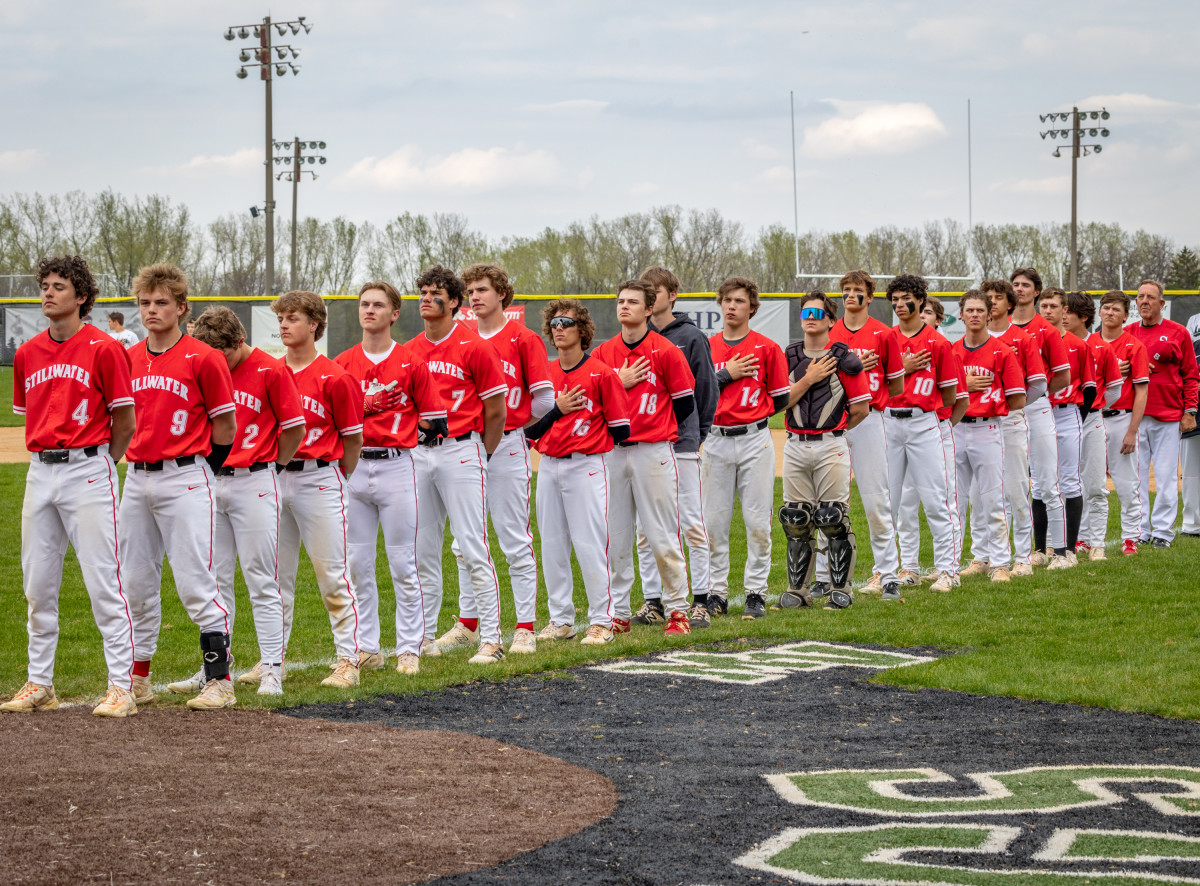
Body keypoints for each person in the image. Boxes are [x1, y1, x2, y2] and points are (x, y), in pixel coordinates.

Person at [2, 255, 138, 718]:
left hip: (87, 468)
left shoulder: (104, 348)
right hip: (41, 471)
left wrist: (102, 462)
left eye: (58, 286)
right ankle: (40, 682)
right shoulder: (27, 353)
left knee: (104, 580)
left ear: (81, 297)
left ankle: (121, 685)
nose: (47, 293)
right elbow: (29, 417)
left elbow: (125, 421)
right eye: (44, 285)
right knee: (37, 584)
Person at [121, 263, 238, 711]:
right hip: (137, 478)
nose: (152, 309)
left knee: (194, 580)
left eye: (162, 302)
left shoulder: (203, 357)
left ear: (182, 307)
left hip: (186, 476)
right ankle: (138, 678)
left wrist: (202, 470)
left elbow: (225, 425)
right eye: (146, 302)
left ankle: (219, 680)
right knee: (135, 582)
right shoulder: (128, 357)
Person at [173, 307, 304, 698]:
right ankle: (216, 669)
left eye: (223, 354)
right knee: (215, 582)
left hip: (255, 481)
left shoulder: (270, 369)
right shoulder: (203, 365)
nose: (217, 362)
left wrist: (273, 466)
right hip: (212, 481)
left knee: (262, 580)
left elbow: (294, 427)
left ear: (239, 342)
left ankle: (272, 670)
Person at [336, 281, 446, 677]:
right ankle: (368, 647)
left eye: (378, 305)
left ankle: (409, 648)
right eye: (364, 304)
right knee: (358, 563)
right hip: (354, 467)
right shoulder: (343, 362)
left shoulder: (412, 361)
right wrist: (366, 406)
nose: (369, 310)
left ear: (394, 313)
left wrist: (413, 428)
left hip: (399, 464)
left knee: (403, 563)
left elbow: (435, 418)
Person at [406, 266, 509, 663]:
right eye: (423, 292)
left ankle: (492, 640)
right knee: (421, 549)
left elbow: (496, 411)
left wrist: (481, 452)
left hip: (461, 449)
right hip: (419, 452)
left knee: (471, 546)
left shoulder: (473, 346)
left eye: (436, 293)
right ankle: (423, 637)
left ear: (454, 302)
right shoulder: (410, 350)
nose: (427, 298)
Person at [448, 264, 552, 655]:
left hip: (508, 442)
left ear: (501, 294)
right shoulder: (464, 336)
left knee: (513, 538)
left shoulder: (522, 338)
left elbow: (542, 398)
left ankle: (524, 626)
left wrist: (520, 427)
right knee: (464, 540)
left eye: (482, 290)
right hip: (467, 444)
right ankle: (468, 623)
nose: (474, 297)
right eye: (470, 291)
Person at [593, 279, 696, 634]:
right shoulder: (604, 354)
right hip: (613, 453)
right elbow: (593, 403)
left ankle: (678, 611)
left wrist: (655, 429)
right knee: (616, 536)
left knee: (661, 534)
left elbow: (684, 405)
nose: (624, 307)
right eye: (620, 301)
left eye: (633, 302)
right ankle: (619, 614)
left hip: (653, 451)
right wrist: (617, 383)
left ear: (649, 309)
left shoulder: (666, 350)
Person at [273, 290, 365, 688]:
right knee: (275, 577)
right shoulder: (272, 372)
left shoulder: (336, 376)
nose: (284, 324)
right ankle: (270, 657)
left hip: (319, 475)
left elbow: (353, 441)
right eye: (281, 318)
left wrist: (333, 477)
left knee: (332, 576)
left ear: (314, 324)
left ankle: (349, 660)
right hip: (275, 477)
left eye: (293, 318)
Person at [526, 300, 631, 645]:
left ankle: (602, 620)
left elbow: (621, 430)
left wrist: (586, 434)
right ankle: (561, 620)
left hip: (586, 464)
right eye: (554, 323)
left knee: (589, 544)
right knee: (553, 545)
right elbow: (529, 430)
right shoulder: (544, 375)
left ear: (582, 330)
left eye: (566, 322)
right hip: (550, 464)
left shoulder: (602, 373)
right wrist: (558, 413)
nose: (558, 328)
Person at [634, 267, 718, 628]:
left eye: (657, 291)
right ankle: (653, 600)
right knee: (644, 529)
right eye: (645, 292)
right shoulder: (637, 337)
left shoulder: (691, 337)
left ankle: (701, 598)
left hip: (680, 443)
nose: (651, 298)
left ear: (671, 295)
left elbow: (706, 391)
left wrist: (695, 435)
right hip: (646, 443)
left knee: (690, 523)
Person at [776, 291, 869, 612]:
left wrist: (835, 431)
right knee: (796, 518)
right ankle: (797, 590)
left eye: (818, 313)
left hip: (832, 443)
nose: (811, 318)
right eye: (805, 314)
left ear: (831, 320)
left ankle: (840, 588)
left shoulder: (845, 359)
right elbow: (778, 403)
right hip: (795, 444)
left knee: (832, 517)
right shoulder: (787, 358)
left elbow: (861, 408)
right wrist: (809, 377)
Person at [703, 277, 790, 615]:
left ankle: (755, 592)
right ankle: (716, 594)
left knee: (757, 521)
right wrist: (727, 373)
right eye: (726, 300)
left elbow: (780, 397)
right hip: (715, 438)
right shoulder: (706, 347)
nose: (731, 306)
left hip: (755, 438)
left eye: (739, 300)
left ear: (752, 307)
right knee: (714, 523)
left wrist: (753, 414)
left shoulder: (767, 348)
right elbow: (698, 393)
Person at [825, 271, 904, 599]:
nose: (851, 295)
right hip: (834, 420)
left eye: (858, 290)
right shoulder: (831, 333)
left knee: (876, 500)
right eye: (846, 290)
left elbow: (897, 384)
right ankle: (823, 577)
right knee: (828, 503)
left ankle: (888, 576)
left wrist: (869, 379)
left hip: (871, 420)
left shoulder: (884, 334)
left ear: (870, 297)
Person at [966, 279, 1047, 577]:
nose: (992, 302)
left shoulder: (1021, 338)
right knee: (977, 493)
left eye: (997, 298)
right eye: (987, 298)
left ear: (1007, 304)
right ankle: (981, 556)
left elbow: (1038, 383)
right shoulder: (968, 341)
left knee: (1014, 489)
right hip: (975, 422)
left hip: (1008, 421)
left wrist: (1013, 404)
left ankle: (1023, 556)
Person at [884, 275, 960, 592]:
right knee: (895, 502)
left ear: (921, 300)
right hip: (889, 420)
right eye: (895, 300)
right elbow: (877, 385)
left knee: (936, 501)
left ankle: (948, 571)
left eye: (906, 298)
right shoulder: (886, 339)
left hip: (923, 420)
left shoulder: (938, 343)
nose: (900, 305)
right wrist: (905, 368)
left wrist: (933, 422)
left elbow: (952, 395)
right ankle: (904, 569)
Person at [951, 290, 1026, 582]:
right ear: (962, 314)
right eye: (969, 310)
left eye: (980, 310)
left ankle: (999, 564)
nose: (974, 315)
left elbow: (1018, 398)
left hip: (988, 427)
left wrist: (993, 403)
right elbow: (943, 396)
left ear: (989, 314)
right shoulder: (952, 350)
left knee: (993, 499)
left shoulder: (1002, 351)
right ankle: (951, 563)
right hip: (957, 427)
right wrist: (966, 387)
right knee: (955, 501)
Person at [1127, 279, 1199, 547]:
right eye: (1140, 297)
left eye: (1150, 297)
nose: (1144, 301)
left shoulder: (1179, 332)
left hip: (1168, 415)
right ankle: (1141, 530)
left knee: (1167, 476)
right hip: (1134, 416)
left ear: (1162, 303)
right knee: (1136, 476)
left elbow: (1191, 375)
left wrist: (1189, 411)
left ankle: (1162, 533)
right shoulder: (1128, 332)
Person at [1010, 268, 1071, 566]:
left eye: (1026, 285)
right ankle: (1020, 553)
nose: (1020, 289)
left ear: (1036, 292)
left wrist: (1029, 397)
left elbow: (1062, 376)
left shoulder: (1046, 329)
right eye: (1016, 284)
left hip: (1036, 408)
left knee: (1047, 482)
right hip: (1007, 412)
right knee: (1013, 484)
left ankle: (1060, 551)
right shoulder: (1002, 328)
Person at [1039, 287, 1097, 566]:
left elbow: (1089, 390)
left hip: (1066, 412)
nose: (1048, 310)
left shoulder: (1078, 344)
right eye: (1044, 305)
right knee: (1039, 482)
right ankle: (1041, 549)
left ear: (1065, 310)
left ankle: (1069, 549)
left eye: (1054, 306)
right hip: (1038, 412)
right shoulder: (1030, 340)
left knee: (1069, 481)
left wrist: (1077, 416)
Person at [1065, 291, 1125, 560]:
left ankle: (1097, 543)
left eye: (1068, 312)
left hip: (1091, 421)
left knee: (1096, 485)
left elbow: (1113, 390)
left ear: (1084, 317)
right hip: (1062, 420)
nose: (1063, 316)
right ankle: (1068, 542)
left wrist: (1094, 406)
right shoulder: (1056, 343)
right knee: (1062, 484)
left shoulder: (1102, 347)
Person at [1094, 290, 1149, 555]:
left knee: (1127, 483)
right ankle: (1085, 538)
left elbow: (1141, 392)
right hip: (1092, 418)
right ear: (1099, 311)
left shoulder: (1133, 346)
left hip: (1121, 418)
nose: (1110, 313)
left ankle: (1130, 538)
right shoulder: (1089, 342)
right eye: (1106, 308)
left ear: (1126, 315)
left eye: (1116, 309)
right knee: (1089, 483)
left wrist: (1132, 431)